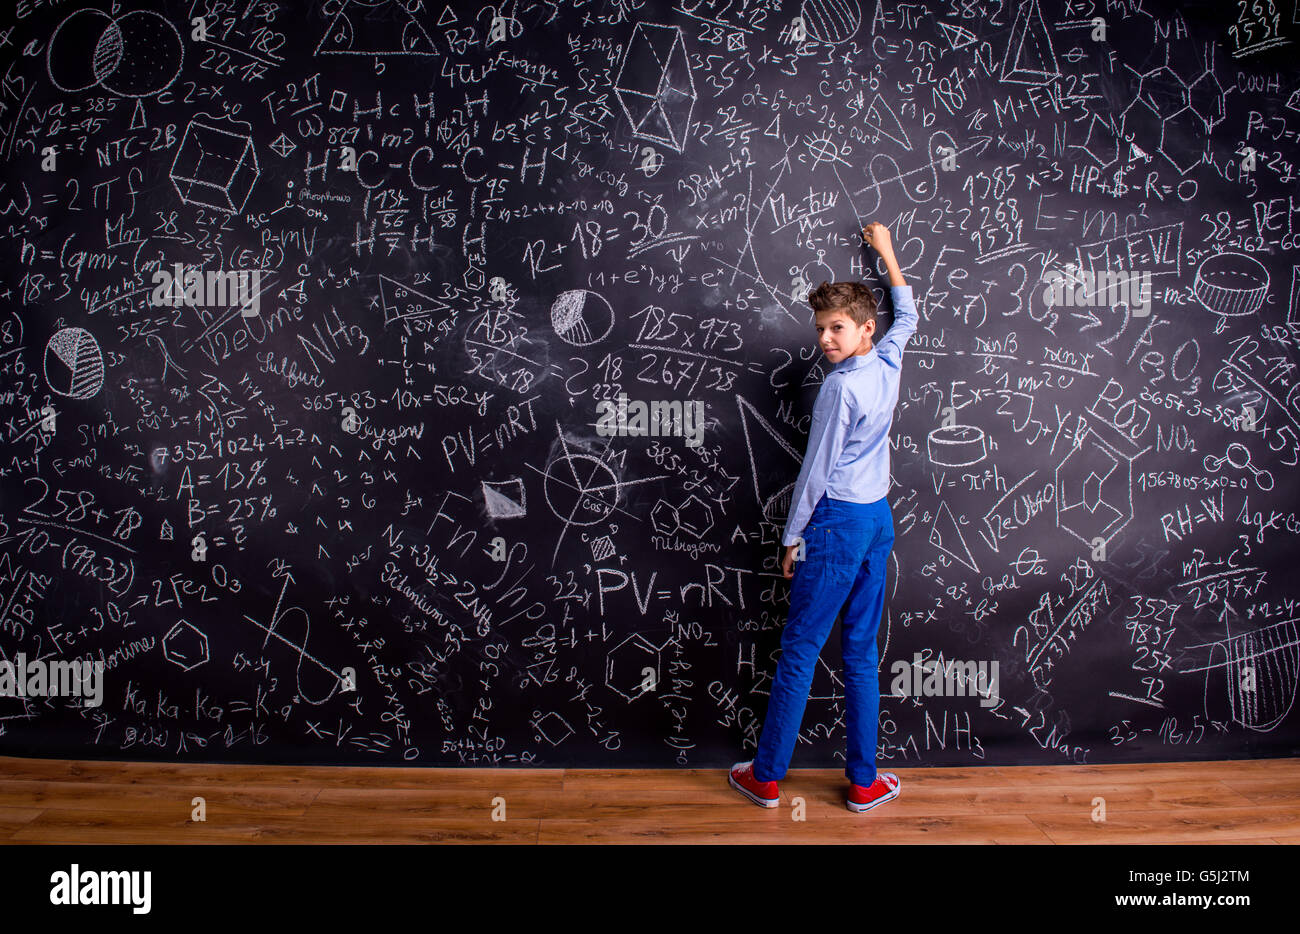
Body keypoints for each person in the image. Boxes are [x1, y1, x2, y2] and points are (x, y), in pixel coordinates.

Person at [729, 221, 918, 812]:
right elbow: (907, 315)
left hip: (835, 525)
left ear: (865, 329)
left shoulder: (841, 389)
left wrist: (792, 539)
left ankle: (765, 777)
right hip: (877, 520)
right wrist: (887, 252)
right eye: (820, 330)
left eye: (837, 329)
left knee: (802, 648)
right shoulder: (887, 360)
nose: (825, 340)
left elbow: (815, 471)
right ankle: (864, 784)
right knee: (860, 652)